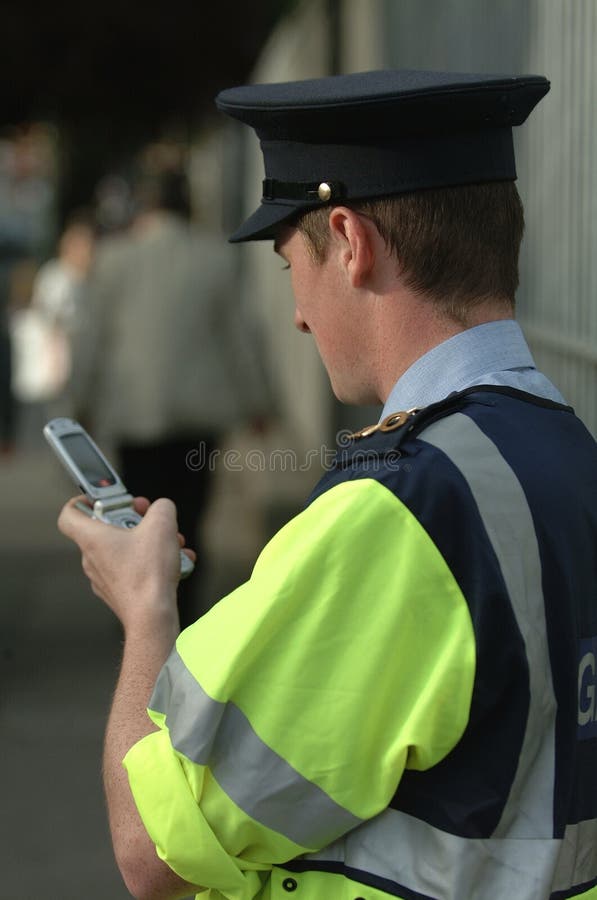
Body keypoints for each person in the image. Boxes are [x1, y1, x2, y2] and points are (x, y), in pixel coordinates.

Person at [56, 70, 597, 900]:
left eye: (288, 267)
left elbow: (153, 850)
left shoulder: (397, 513)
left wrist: (145, 611)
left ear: (348, 241)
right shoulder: (567, 449)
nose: (300, 315)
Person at [70, 163, 268, 625]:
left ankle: (142, 615)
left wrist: (80, 401)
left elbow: (91, 338)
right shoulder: (212, 257)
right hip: (198, 415)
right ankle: (186, 614)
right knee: (191, 519)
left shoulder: (115, 258)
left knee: (137, 518)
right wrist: (259, 401)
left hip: (136, 415)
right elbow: (241, 336)